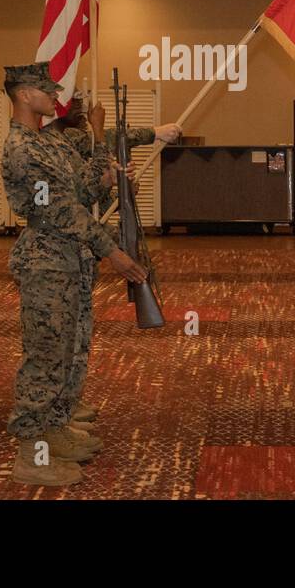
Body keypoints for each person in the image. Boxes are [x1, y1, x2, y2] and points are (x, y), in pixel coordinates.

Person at [0, 62, 147, 487]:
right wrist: (112, 251)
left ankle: (53, 431)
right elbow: (58, 209)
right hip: (46, 262)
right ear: (25, 94)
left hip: (68, 259)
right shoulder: (22, 149)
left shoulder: (46, 143)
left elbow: (79, 191)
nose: (56, 98)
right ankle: (32, 456)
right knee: (44, 358)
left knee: (68, 351)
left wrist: (107, 178)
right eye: (48, 91)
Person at [46, 91, 180, 431]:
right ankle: (57, 413)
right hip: (65, 250)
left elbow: (103, 177)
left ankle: (69, 401)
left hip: (84, 249)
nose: (86, 103)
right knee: (65, 336)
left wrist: (121, 182)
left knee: (80, 332)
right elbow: (104, 150)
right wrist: (148, 133)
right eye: (78, 99)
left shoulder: (81, 139)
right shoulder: (67, 140)